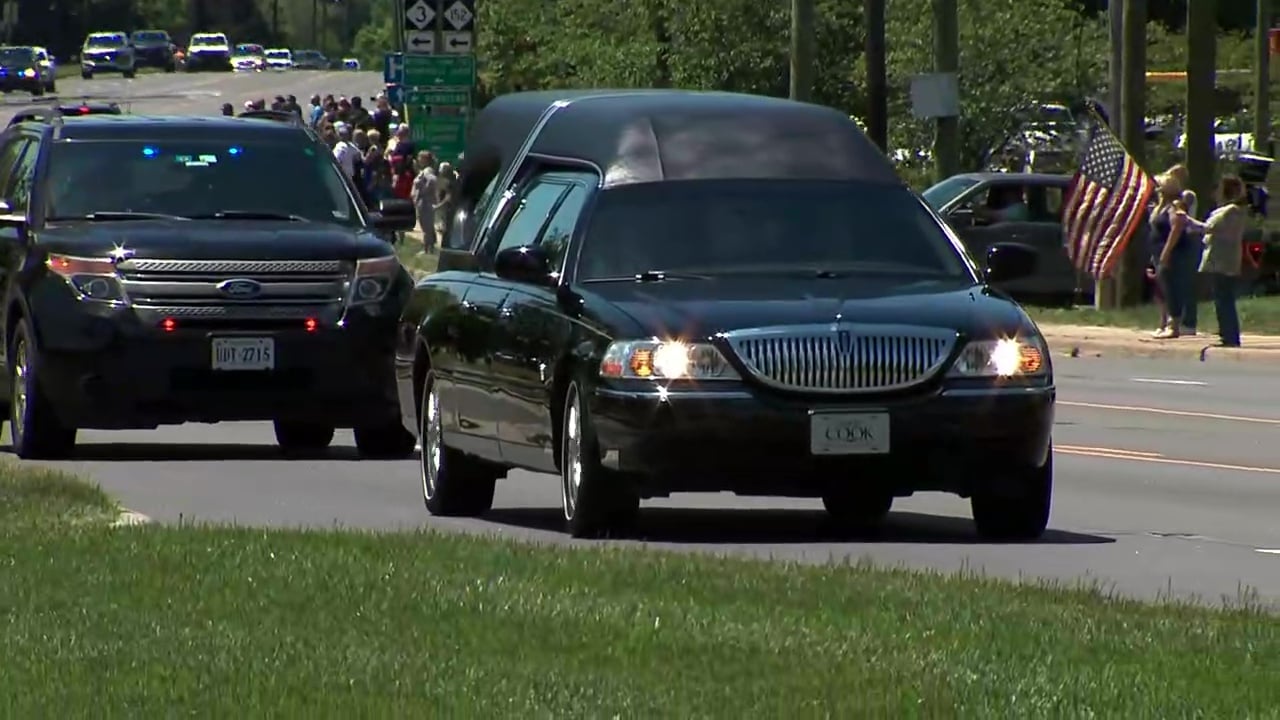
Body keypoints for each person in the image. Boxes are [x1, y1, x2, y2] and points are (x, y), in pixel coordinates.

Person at [1185, 175, 1249, 347]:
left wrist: (1187, 219)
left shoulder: (1231, 211)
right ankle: (1226, 333)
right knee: (1221, 298)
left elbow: (1209, 228)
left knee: (1224, 299)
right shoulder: (1229, 210)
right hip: (1220, 260)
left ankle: (1230, 336)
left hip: (1224, 260)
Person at [1152, 173, 1194, 339]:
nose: (1157, 190)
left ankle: (1174, 325)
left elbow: (1177, 227)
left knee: (1172, 288)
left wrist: (1167, 251)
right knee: (1161, 289)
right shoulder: (1159, 206)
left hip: (1173, 252)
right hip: (1157, 250)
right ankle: (1163, 322)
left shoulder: (1175, 206)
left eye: (1159, 186)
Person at [1164, 164, 1201, 334]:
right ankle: (1175, 319)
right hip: (1181, 239)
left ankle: (1189, 322)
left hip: (1190, 238)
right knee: (1176, 283)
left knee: (1187, 283)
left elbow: (1182, 214)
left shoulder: (1187, 195)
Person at [411, 152, 439, 252]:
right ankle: (429, 247)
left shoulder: (428, 171)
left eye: (420, 158)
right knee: (427, 226)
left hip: (425, 202)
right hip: (422, 202)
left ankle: (427, 248)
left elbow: (432, 180)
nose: (418, 159)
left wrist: (424, 190)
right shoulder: (423, 171)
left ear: (425, 160)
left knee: (426, 226)